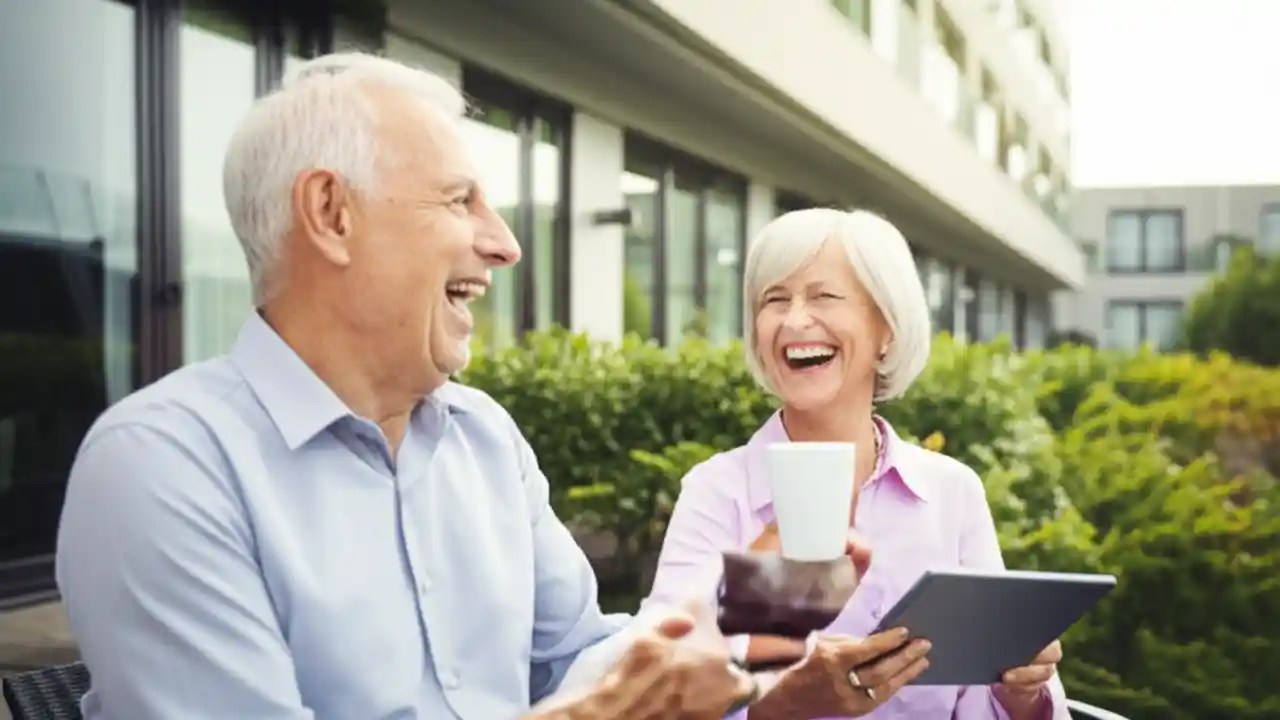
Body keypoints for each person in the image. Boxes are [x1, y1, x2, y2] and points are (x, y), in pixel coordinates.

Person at [54, 52, 755, 719]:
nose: (505, 244)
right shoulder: (159, 466)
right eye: (460, 200)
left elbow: (580, 657)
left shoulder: (485, 438)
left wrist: (740, 623)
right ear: (331, 213)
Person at [646, 208, 1071, 719]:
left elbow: (985, 698)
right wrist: (783, 704)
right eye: (774, 299)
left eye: (823, 296)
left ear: (886, 328)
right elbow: (659, 695)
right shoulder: (718, 492)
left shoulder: (951, 493)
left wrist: (1020, 693)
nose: (794, 320)